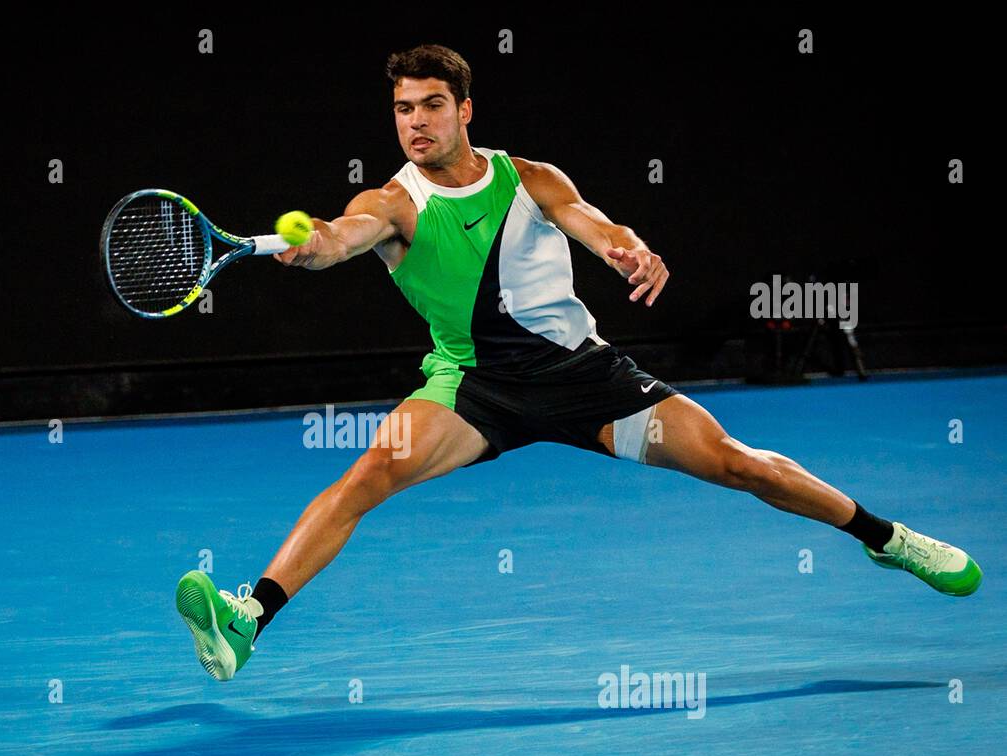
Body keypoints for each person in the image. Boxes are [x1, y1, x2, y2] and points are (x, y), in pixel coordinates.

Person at [176, 43, 981, 682]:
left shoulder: (530, 178)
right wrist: (308, 247)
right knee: (365, 477)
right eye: (400, 110)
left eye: (429, 106)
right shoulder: (390, 203)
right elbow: (334, 239)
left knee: (740, 464)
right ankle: (248, 619)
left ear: (463, 110)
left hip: (585, 378)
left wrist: (630, 252)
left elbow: (599, 227)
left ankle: (886, 537)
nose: (414, 124)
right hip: (474, 387)